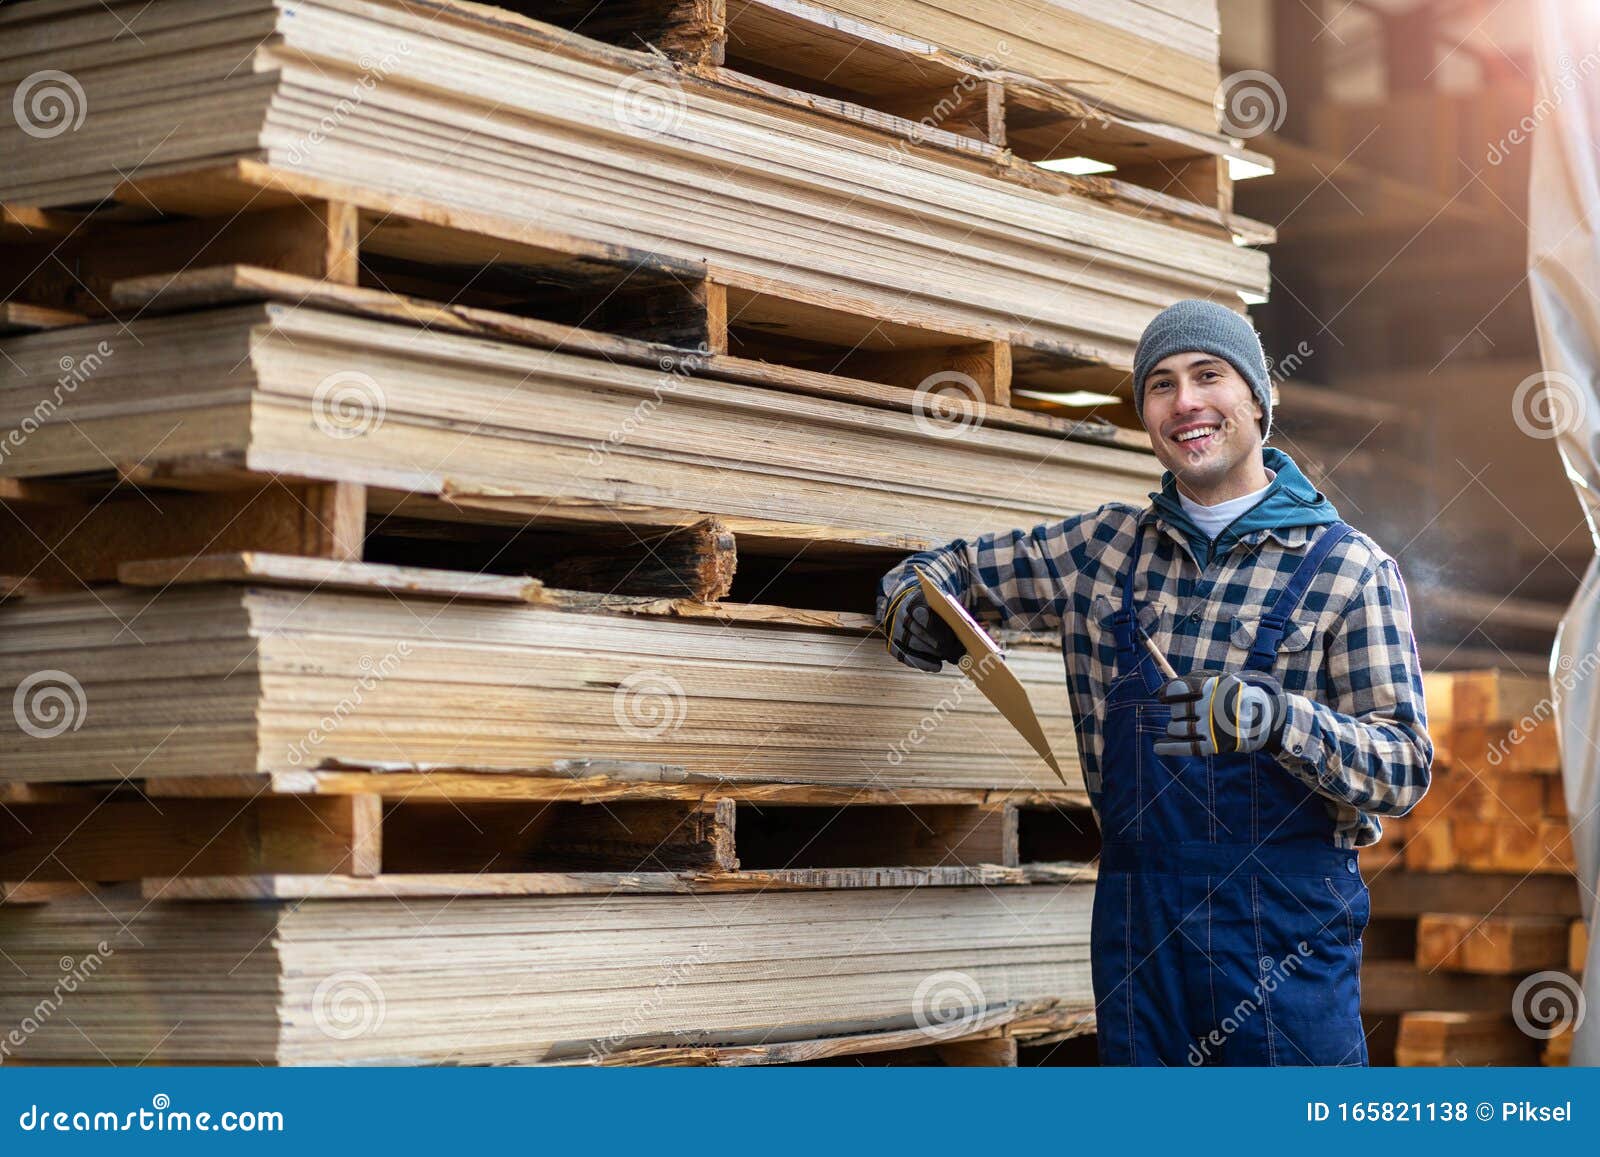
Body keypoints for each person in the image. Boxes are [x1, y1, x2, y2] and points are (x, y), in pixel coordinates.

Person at [877, 299, 1432, 1066]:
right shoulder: (1101, 551)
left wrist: (1277, 720)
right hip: (1143, 935)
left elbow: (1403, 766)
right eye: (1161, 386)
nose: (1187, 404)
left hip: (1283, 946)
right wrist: (911, 600)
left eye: (1209, 376)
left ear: (1258, 401)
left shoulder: (1348, 568)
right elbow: (950, 568)